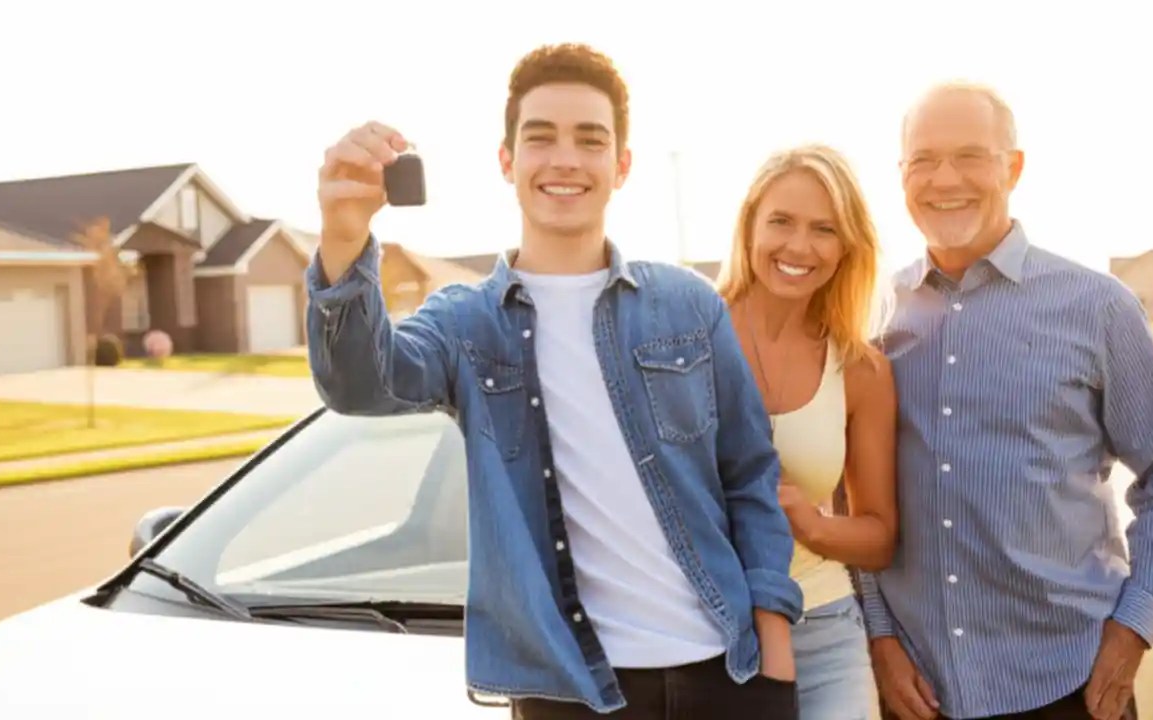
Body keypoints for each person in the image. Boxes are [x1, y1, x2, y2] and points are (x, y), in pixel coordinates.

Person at [304, 43, 804, 719]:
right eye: (540, 138)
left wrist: (774, 646)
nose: (565, 158)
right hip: (569, 690)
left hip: (728, 675)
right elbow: (359, 385)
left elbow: (748, 473)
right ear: (507, 161)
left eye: (589, 139)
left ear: (620, 165)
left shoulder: (687, 305)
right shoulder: (465, 322)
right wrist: (342, 239)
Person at [859, 81, 1153, 720]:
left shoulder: (1098, 308)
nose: (944, 179)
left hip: (1066, 687)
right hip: (916, 695)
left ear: (1012, 167)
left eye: (970, 156)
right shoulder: (875, 317)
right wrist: (880, 637)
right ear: (902, 175)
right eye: (923, 160)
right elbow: (853, 497)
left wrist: (1132, 630)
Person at [715, 144, 898, 720]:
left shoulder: (861, 369)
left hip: (823, 630)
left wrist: (813, 525)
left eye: (824, 229)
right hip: (703, 637)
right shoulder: (687, 336)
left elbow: (879, 537)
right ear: (749, 226)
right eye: (781, 222)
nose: (799, 247)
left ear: (847, 248)